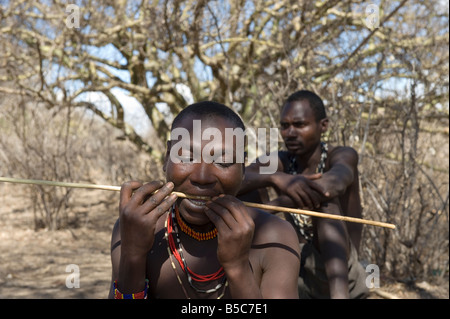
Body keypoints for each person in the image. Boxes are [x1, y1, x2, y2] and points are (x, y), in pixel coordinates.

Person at [109, 101, 300, 299]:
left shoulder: (274, 237)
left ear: (242, 167)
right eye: (185, 157)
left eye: (223, 161)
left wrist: (238, 268)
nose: (202, 176)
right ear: (167, 157)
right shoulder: (135, 228)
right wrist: (132, 255)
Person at [238, 90, 369, 299]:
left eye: (299, 125)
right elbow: (235, 180)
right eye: (284, 126)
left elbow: (329, 186)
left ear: (323, 125)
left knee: (326, 204)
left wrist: (275, 204)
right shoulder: (281, 161)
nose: (290, 132)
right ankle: (250, 280)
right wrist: (275, 178)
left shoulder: (342, 155)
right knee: (247, 190)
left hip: (340, 274)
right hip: (296, 270)